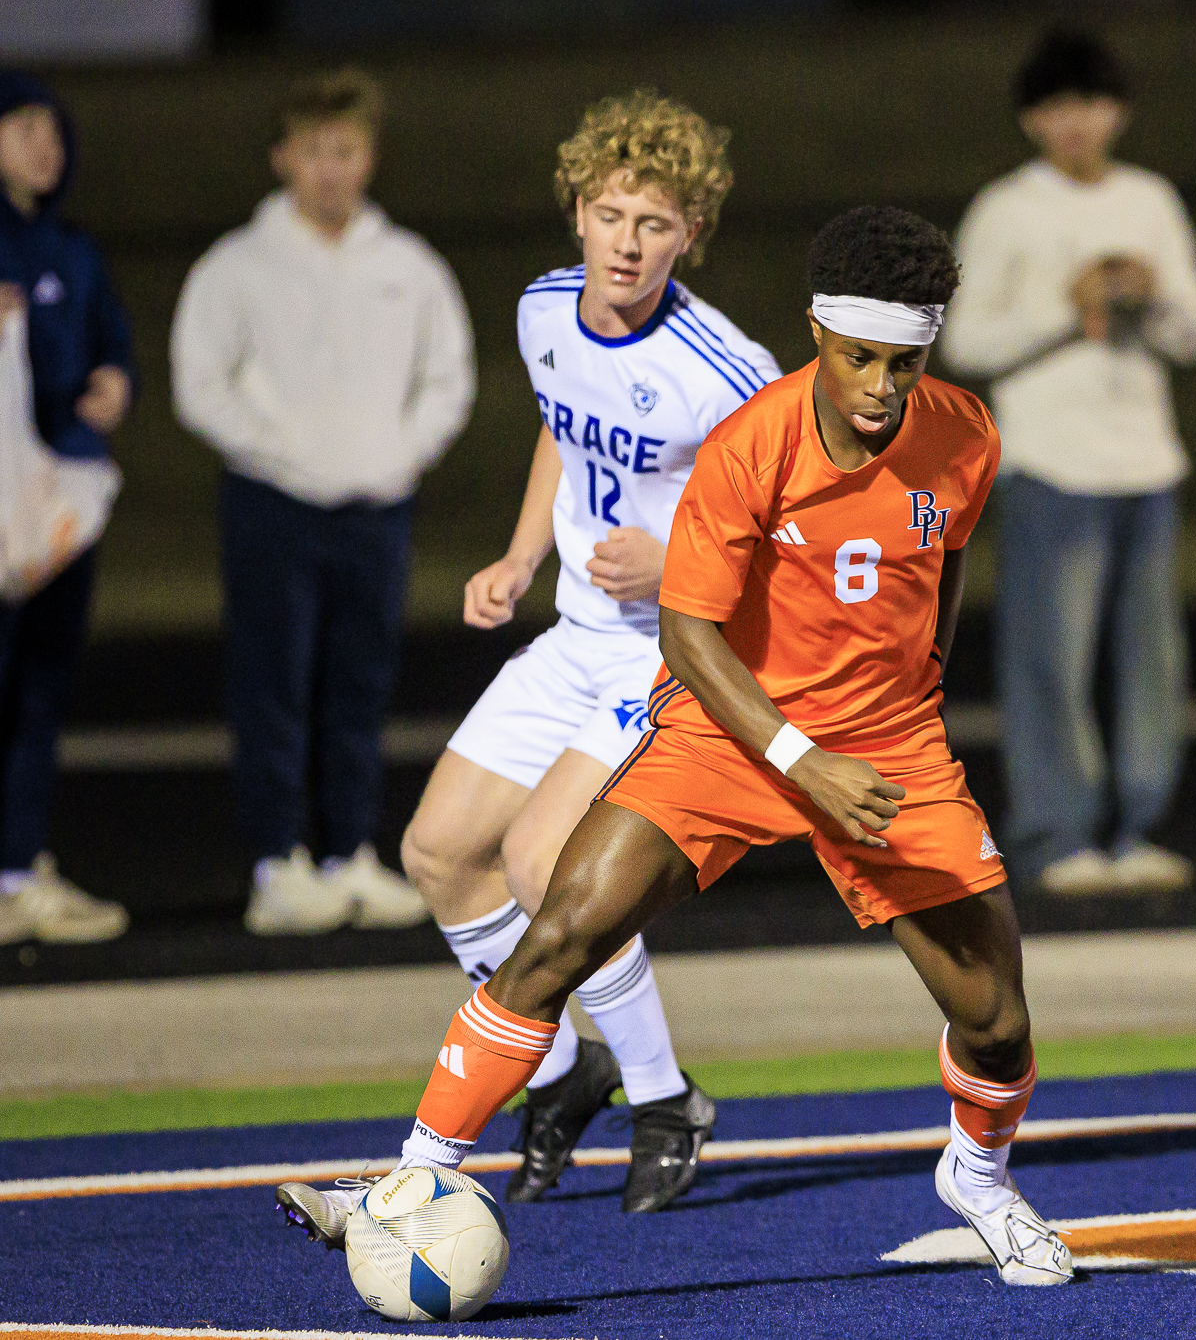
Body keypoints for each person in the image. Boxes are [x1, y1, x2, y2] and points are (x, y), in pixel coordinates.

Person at [274, 206, 1074, 1286]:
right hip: (732, 731)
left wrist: (920, 680)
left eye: (905, 361)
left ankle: (978, 1177)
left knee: (997, 1017)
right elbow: (691, 638)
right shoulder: (754, 443)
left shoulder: (966, 431)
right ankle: (411, 1172)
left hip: (885, 750)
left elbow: (947, 552)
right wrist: (799, 761)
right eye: (860, 359)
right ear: (816, 336)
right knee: (561, 926)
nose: (883, 386)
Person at [400, 90, 775, 1212]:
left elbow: (791, 531)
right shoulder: (542, 310)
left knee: (539, 863)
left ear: (690, 235)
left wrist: (677, 569)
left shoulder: (732, 371)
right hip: (574, 636)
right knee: (438, 853)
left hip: (670, 653)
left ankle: (664, 1098)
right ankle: (564, 1074)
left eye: (654, 223)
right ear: (575, 213)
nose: (627, 240)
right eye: (609, 213)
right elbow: (562, 428)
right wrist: (521, 558)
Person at [172, 68, 474, 936]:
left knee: (359, 686)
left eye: (344, 151)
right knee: (273, 685)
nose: (330, 169)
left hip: (376, 508)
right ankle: (278, 861)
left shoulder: (408, 266)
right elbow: (201, 384)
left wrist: (396, 454)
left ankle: (349, 854)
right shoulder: (237, 266)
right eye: (313, 153)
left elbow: (447, 377)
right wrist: (283, 454)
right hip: (274, 504)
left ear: (368, 158)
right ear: (282, 160)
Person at [942, 27, 1196, 896]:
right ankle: (1057, 834)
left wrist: (1154, 290)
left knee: (1149, 659)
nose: (1076, 125)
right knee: (1050, 658)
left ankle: (1135, 826)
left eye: (1091, 105)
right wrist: (1070, 307)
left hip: (1146, 461)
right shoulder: (1006, 209)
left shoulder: (1152, 200)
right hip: (1049, 463)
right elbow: (966, 341)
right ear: (1032, 119)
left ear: (1119, 111)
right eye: (1057, 108)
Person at [0, 71, 131, 946]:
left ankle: (18, 870)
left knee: (41, 687)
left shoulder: (72, 249)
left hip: (55, 511)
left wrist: (116, 380)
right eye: (22, 126)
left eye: (53, 127)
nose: (44, 144)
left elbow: (109, 341)